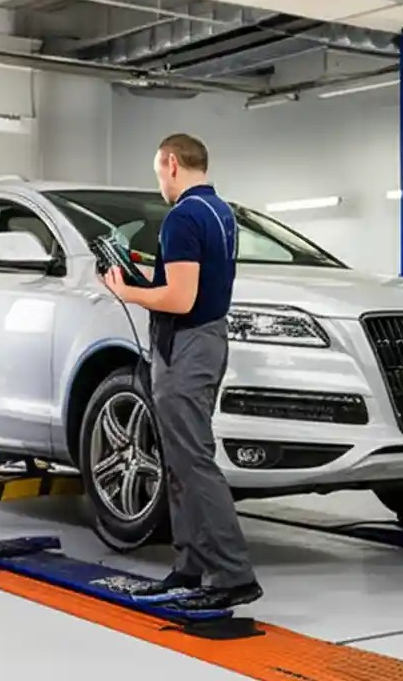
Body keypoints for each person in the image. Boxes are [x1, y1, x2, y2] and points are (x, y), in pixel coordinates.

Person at [102, 133, 262, 611]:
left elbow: (180, 298)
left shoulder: (182, 217)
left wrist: (124, 291)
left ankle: (232, 575)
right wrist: (144, 274)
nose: (160, 185)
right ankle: (191, 565)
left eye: (158, 173)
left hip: (187, 346)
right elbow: (189, 280)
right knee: (180, 458)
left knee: (192, 460)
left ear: (171, 163)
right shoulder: (220, 212)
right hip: (206, 340)